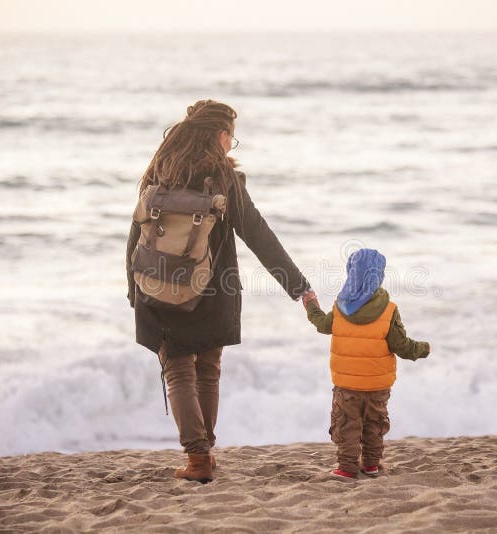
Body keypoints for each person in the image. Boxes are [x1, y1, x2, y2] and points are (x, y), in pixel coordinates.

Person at [126, 100, 310, 483]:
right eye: (232, 137)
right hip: (212, 290)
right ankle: (202, 456)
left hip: (156, 284)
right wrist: (299, 287)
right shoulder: (224, 179)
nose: (231, 144)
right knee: (207, 370)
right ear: (219, 134)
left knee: (177, 371)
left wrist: (133, 289)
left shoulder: (158, 171)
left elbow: (135, 236)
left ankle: (198, 458)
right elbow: (258, 235)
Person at [302, 248, 430, 479]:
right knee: (374, 425)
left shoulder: (340, 307)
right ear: (378, 275)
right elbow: (401, 345)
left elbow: (322, 325)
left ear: (351, 272)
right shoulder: (389, 310)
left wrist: (311, 306)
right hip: (378, 385)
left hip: (346, 384)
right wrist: (422, 349)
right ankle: (371, 465)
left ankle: (347, 467)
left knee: (346, 425)